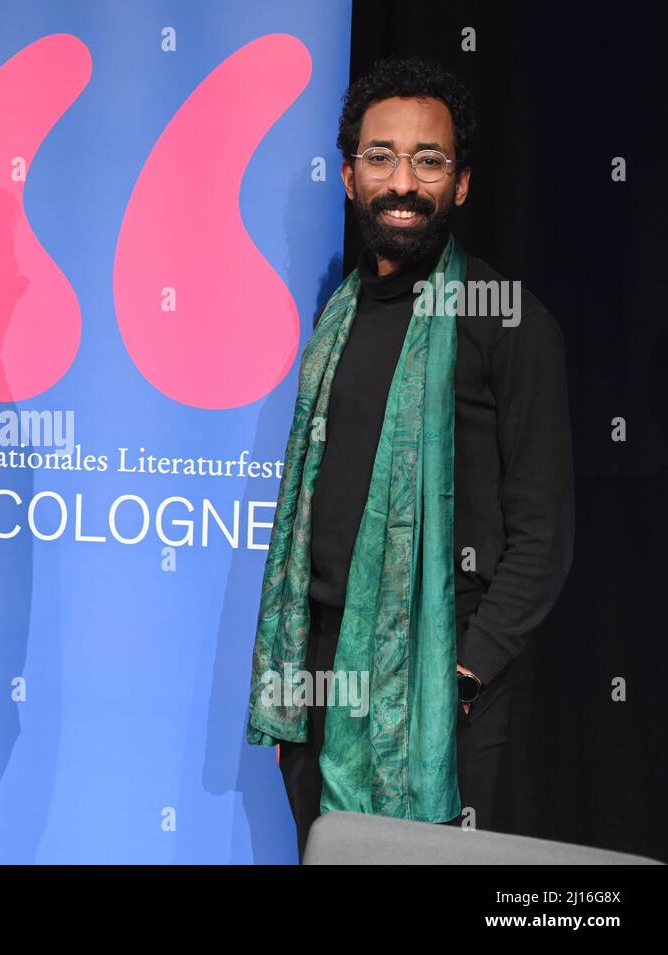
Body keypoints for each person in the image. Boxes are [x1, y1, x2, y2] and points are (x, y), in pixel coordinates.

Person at [245, 58, 573, 862]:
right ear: (350, 174)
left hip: (445, 677)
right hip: (324, 675)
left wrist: (459, 676)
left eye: (429, 160)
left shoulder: (507, 321)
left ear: (459, 184)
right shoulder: (335, 318)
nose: (404, 181)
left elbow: (544, 536)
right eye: (382, 157)